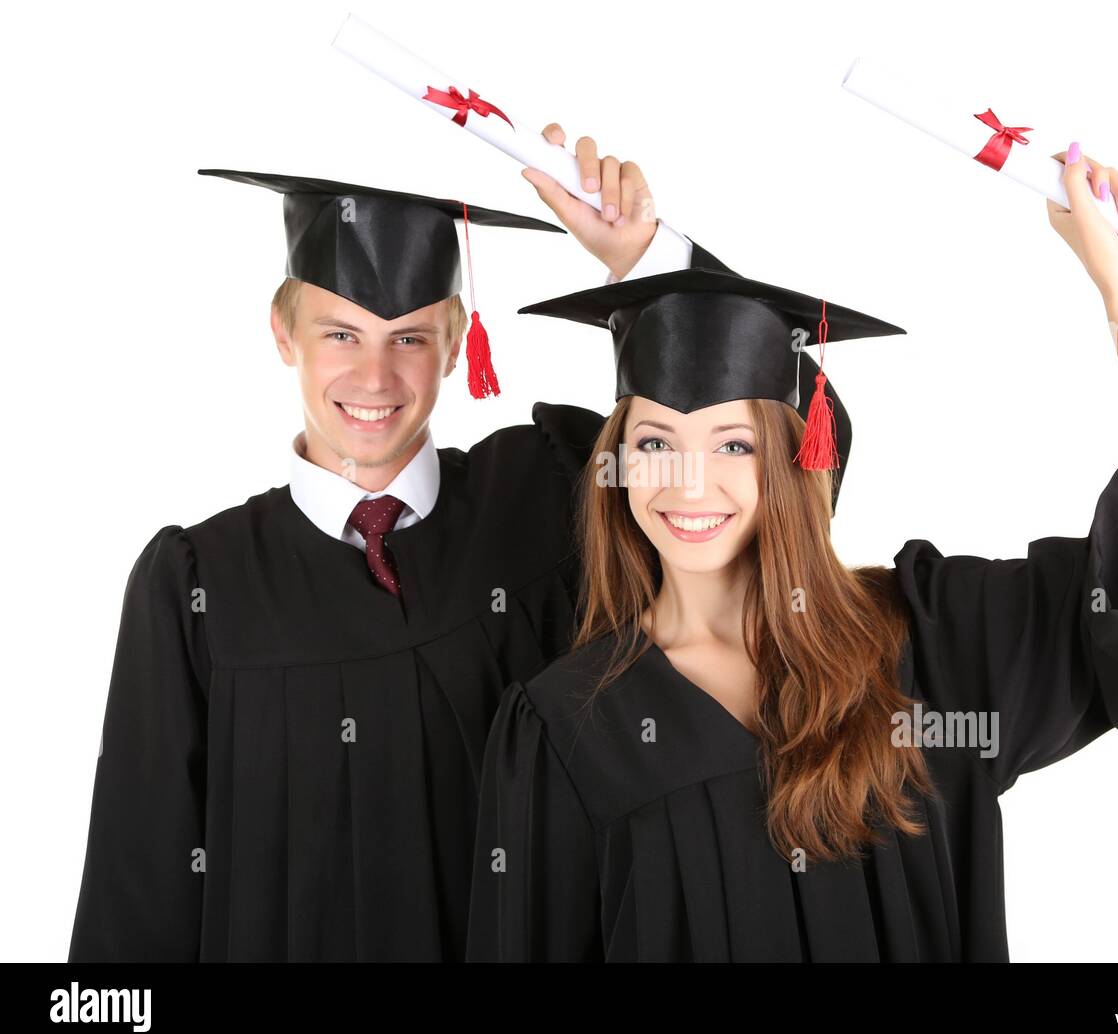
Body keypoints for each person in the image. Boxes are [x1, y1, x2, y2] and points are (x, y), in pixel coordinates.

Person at [464, 144, 1118, 961]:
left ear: (795, 464)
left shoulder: (928, 650)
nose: (689, 485)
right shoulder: (565, 727)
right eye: (655, 443)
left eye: (734, 447)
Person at [68, 126, 727, 962]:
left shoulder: (552, 493)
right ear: (283, 333)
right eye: (341, 334)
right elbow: (139, 889)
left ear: (455, 341)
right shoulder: (200, 586)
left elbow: (772, 467)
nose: (375, 380)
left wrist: (652, 265)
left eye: (410, 337)